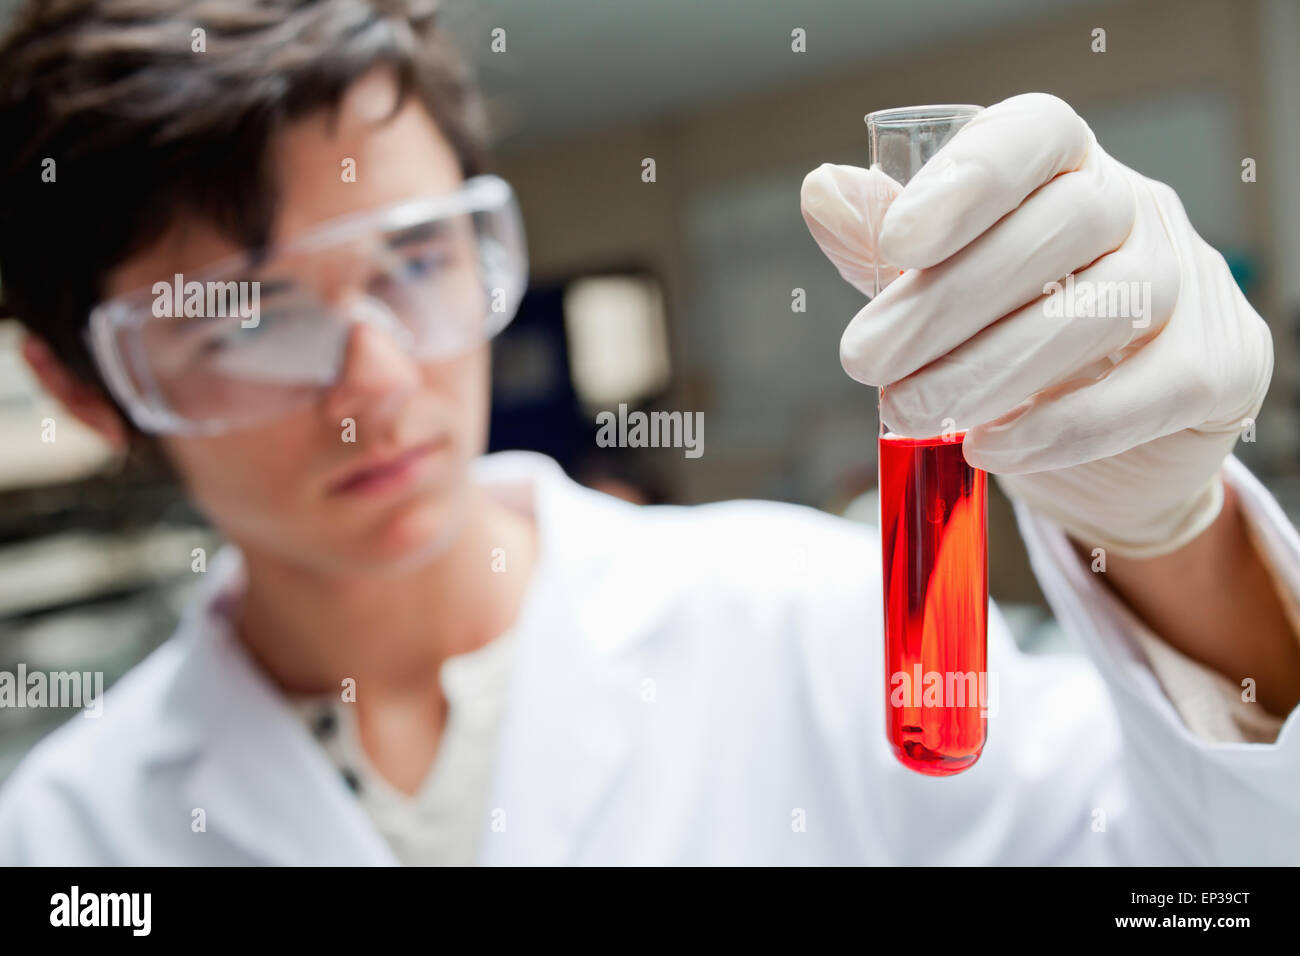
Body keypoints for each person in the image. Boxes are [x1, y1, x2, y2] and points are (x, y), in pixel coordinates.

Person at [0, 0, 1296, 866]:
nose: (378, 382)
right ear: (81, 388)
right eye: (250, 319)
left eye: (413, 260)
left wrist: (1180, 551)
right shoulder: (67, 843)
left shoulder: (807, 620)